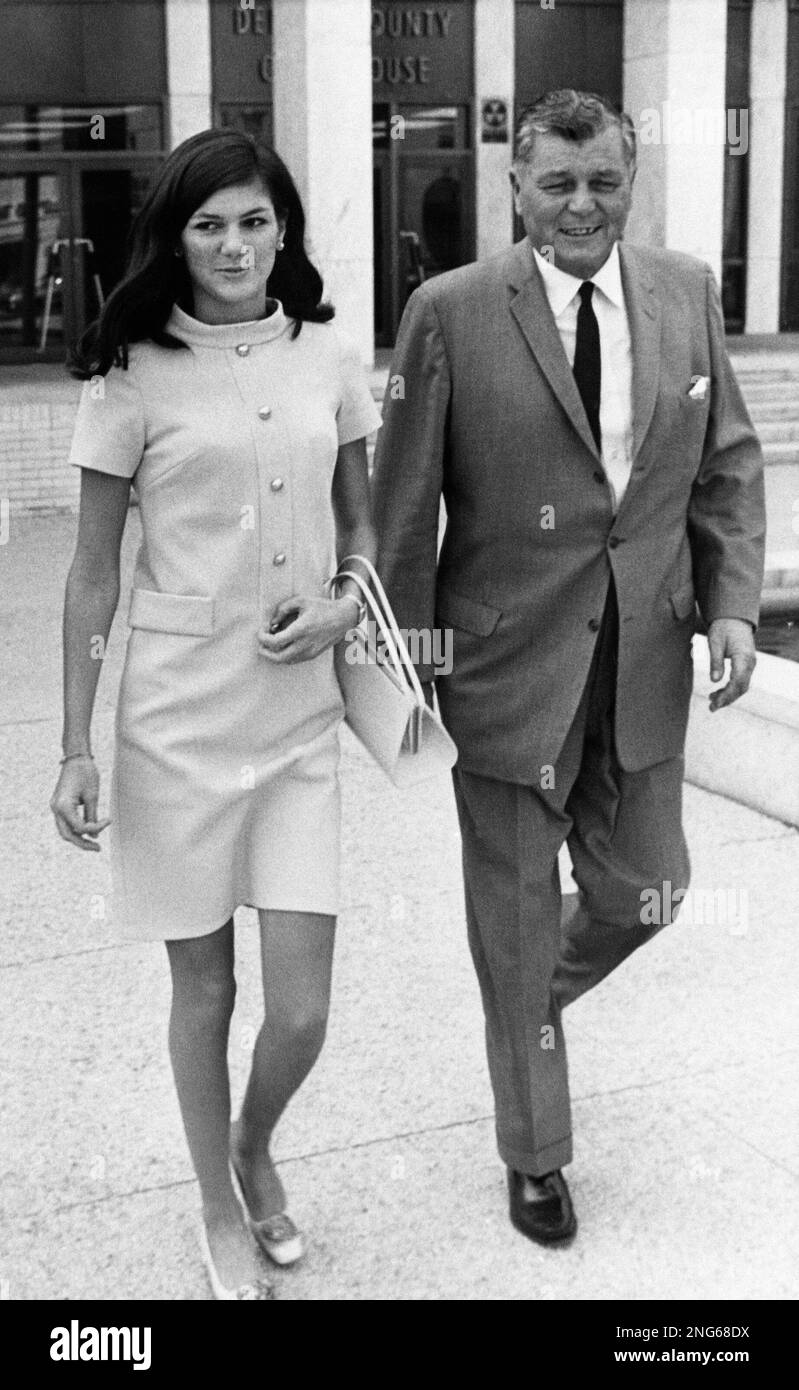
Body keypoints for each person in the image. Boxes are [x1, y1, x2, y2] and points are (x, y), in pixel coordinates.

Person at [372, 90, 765, 1247]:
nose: (581, 205)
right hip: (496, 672)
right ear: (515, 186)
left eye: (602, 182)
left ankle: (523, 995)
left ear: (629, 180)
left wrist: (733, 607)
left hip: (641, 660)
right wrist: (403, 673)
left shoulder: (685, 289)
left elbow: (727, 466)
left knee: (650, 887)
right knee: (510, 914)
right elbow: (402, 512)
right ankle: (534, 1154)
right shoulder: (447, 312)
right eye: (558, 184)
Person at [50, 129, 381, 1299]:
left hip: (294, 723)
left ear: (283, 226)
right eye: (207, 224)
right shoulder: (126, 373)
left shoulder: (331, 354)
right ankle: (214, 1204)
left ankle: (253, 1145)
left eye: (252, 220)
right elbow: (93, 572)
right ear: (173, 239)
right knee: (207, 989)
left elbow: (367, 522)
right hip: (177, 724)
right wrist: (73, 741)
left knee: (300, 1006)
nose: (233, 245)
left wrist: (349, 604)